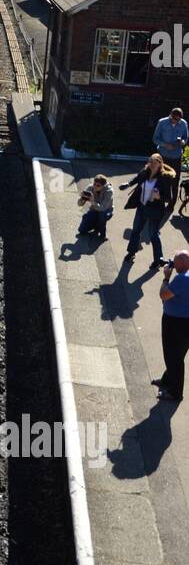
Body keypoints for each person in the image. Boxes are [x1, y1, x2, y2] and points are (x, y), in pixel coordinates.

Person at [120, 154, 175, 267]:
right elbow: (137, 178)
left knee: (153, 234)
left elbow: (168, 198)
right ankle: (131, 253)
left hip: (156, 210)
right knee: (136, 230)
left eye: (155, 162)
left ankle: (158, 259)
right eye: (150, 161)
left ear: (160, 163)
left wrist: (159, 197)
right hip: (142, 207)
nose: (152, 164)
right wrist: (128, 184)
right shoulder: (145, 172)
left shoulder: (164, 178)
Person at [153, 250, 189, 403]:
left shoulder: (182, 279)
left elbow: (163, 295)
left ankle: (175, 393)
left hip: (176, 323)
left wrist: (166, 278)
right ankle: (167, 380)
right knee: (177, 355)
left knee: (173, 356)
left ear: (183, 262)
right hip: (183, 322)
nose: (172, 265)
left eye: (174, 262)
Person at [152, 107, 188, 207]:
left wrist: (182, 142)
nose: (177, 121)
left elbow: (186, 138)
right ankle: (160, 201)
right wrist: (165, 144)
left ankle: (171, 205)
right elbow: (155, 139)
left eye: (179, 119)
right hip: (163, 156)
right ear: (170, 116)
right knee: (162, 179)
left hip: (176, 156)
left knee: (175, 181)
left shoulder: (183, 123)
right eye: (175, 119)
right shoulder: (162, 122)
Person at [77, 174, 114, 239]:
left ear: (103, 186)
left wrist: (92, 201)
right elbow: (79, 204)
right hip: (94, 209)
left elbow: (103, 208)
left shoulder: (109, 191)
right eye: (94, 184)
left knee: (102, 215)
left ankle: (103, 234)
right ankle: (95, 225)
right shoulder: (90, 187)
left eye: (98, 185)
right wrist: (81, 198)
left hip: (106, 211)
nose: (95, 186)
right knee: (81, 230)